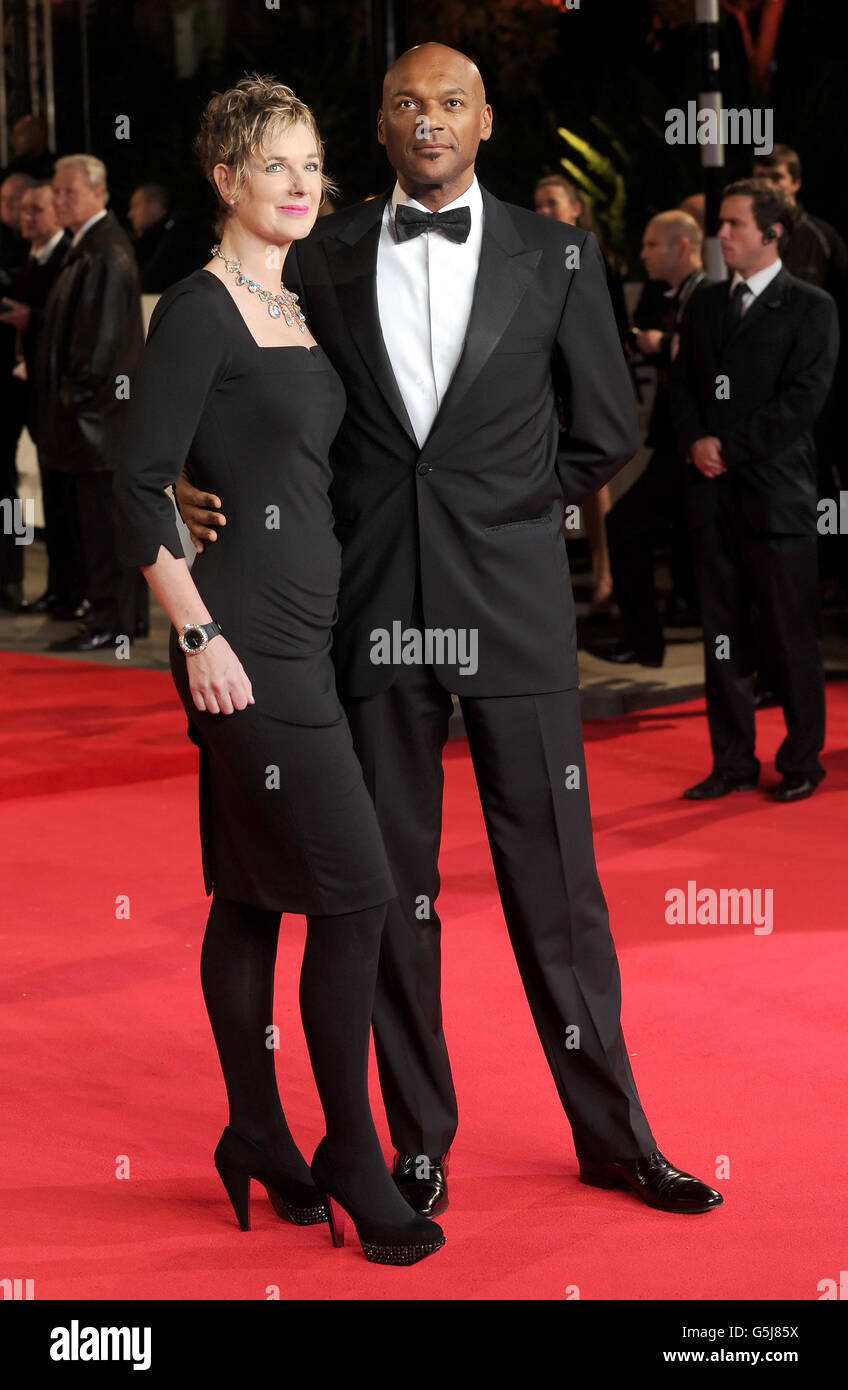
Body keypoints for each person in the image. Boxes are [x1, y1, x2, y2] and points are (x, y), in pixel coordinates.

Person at [179, 44, 723, 1220]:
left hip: (512, 610)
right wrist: (186, 481)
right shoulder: (315, 257)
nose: (427, 119)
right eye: (405, 102)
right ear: (377, 128)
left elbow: (603, 428)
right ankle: (412, 1142)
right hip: (365, 611)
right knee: (388, 894)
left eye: (450, 102)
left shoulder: (559, 253)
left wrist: (511, 520)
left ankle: (616, 1133)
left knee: (557, 886)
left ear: (483, 124)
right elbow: (248, 393)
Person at [114, 74, 444, 1266]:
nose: (302, 185)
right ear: (226, 179)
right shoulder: (200, 307)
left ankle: (254, 1129)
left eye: (313, 164)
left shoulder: (294, 300)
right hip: (244, 650)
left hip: (309, 631)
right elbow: (136, 478)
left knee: (253, 894)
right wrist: (196, 636)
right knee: (355, 893)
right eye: (276, 166)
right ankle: (350, 1148)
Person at [670, 180, 839, 803]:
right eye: (722, 224)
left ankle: (801, 761)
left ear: (772, 235)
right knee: (722, 637)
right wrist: (694, 442)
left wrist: (726, 448)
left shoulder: (812, 307)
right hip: (712, 500)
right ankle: (733, 761)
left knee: (791, 637)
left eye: (735, 225)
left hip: (777, 499)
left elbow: (802, 402)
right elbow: (682, 386)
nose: (722, 234)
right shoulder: (707, 304)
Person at [35, 155, 147, 650]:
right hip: (96, 418)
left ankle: (111, 622)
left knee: (103, 528)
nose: (60, 201)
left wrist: (69, 399)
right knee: (101, 525)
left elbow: (98, 348)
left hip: (98, 420)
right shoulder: (93, 247)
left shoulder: (103, 252)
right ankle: (121, 618)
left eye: (69, 193)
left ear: (99, 194)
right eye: (56, 193)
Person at [587, 210, 706, 667]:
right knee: (629, 527)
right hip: (677, 442)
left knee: (632, 527)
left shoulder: (708, 294)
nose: (643, 253)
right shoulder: (661, 295)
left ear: (680, 246)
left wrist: (669, 343)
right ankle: (644, 642)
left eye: (652, 245)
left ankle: (648, 642)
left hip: (697, 446)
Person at [534, 174, 614, 615]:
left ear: (575, 207)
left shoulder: (591, 252)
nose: (544, 211)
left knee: (595, 484)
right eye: (538, 204)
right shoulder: (536, 253)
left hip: (578, 384)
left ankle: (605, 574)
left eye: (552, 203)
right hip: (545, 383)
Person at [0, 182, 71, 613]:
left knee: (58, 487)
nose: (25, 217)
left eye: (34, 209)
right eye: (16, 208)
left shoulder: (70, 258)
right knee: (9, 488)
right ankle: (11, 579)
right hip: (14, 393)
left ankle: (63, 588)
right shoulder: (22, 255)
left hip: (51, 394)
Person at [0, 172, 34, 611]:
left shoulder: (43, 252)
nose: (18, 211)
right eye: (8, 201)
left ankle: (13, 577)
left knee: (10, 488)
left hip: (19, 389)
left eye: (24, 203)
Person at [127, 182, 207, 292]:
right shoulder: (155, 238)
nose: (130, 214)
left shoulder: (179, 234)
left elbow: (151, 280)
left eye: (135, 206)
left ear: (154, 206)